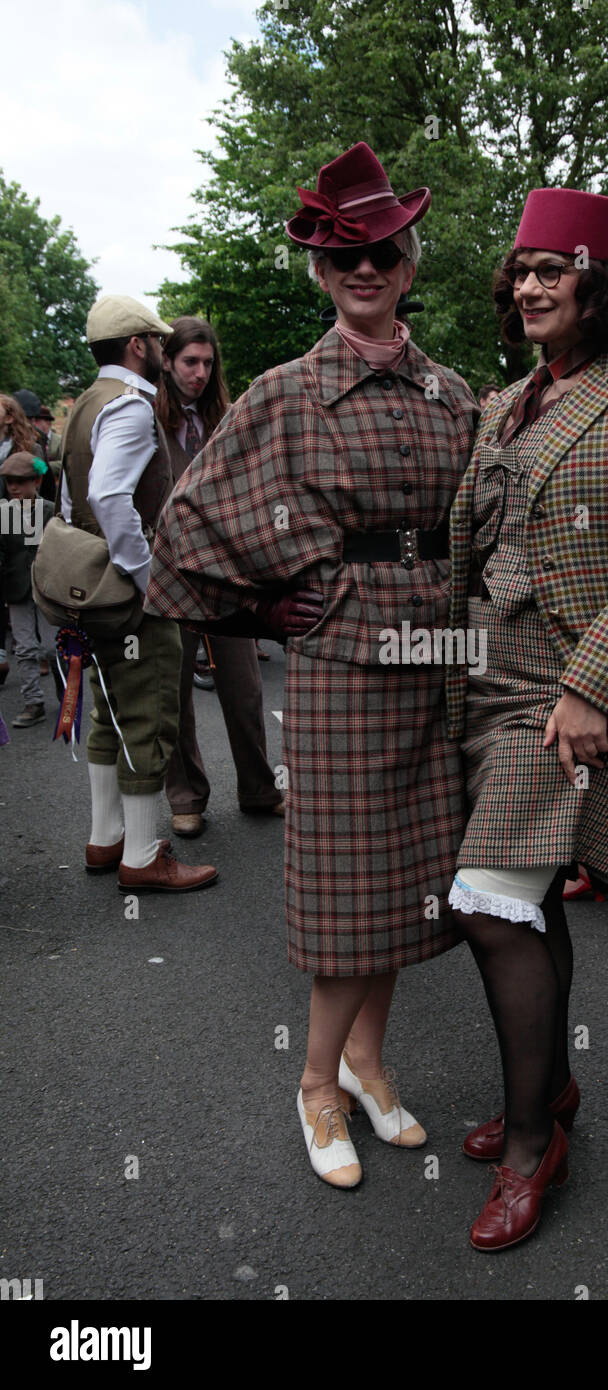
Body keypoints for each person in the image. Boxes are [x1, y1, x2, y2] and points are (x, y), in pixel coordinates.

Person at [145, 143, 478, 1188]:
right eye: (344, 259)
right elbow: (186, 524)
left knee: (408, 883)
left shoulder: (453, 394)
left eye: (380, 251)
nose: (364, 269)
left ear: (407, 262)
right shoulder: (287, 393)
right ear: (323, 274)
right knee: (345, 886)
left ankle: (372, 1063)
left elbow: (480, 528)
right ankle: (315, 1083)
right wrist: (258, 605)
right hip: (339, 664)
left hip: (437, 658)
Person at [446, 187, 608, 1250]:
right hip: (479, 680)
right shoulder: (508, 399)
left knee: (491, 905)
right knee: (529, 901)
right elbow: (467, 541)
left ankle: (526, 1150)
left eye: (556, 268)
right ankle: (546, 1089)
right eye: (522, 269)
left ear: (600, 284)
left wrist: (591, 687)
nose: (532, 284)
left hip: (559, 692)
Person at [59, 294, 217, 892]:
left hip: (88, 584)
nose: (162, 348)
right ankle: (144, 856)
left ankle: (106, 841)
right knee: (148, 713)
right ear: (138, 346)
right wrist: (148, 579)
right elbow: (108, 497)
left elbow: (78, 501)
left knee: (108, 713)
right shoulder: (130, 403)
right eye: (156, 340)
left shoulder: (86, 403)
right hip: (125, 591)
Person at [155, 316, 284, 838]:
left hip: (228, 570)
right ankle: (186, 797)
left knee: (244, 684)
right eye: (190, 361)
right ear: (167, 361)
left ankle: (258, 788)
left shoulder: (226, 418)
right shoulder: (147, 419)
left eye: (208, 363)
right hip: (168, 570)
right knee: (174, 690)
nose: (201, 372)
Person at [0, 452, 56, 727]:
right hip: (16, 589)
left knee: (51, 646)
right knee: (24, 647)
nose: (14, 488)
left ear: (37, 480)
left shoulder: (50, 510)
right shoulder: (3, 512)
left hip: (47, 588)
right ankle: (33, 701)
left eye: (21, 482)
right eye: (10, 482)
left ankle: (66, 689)